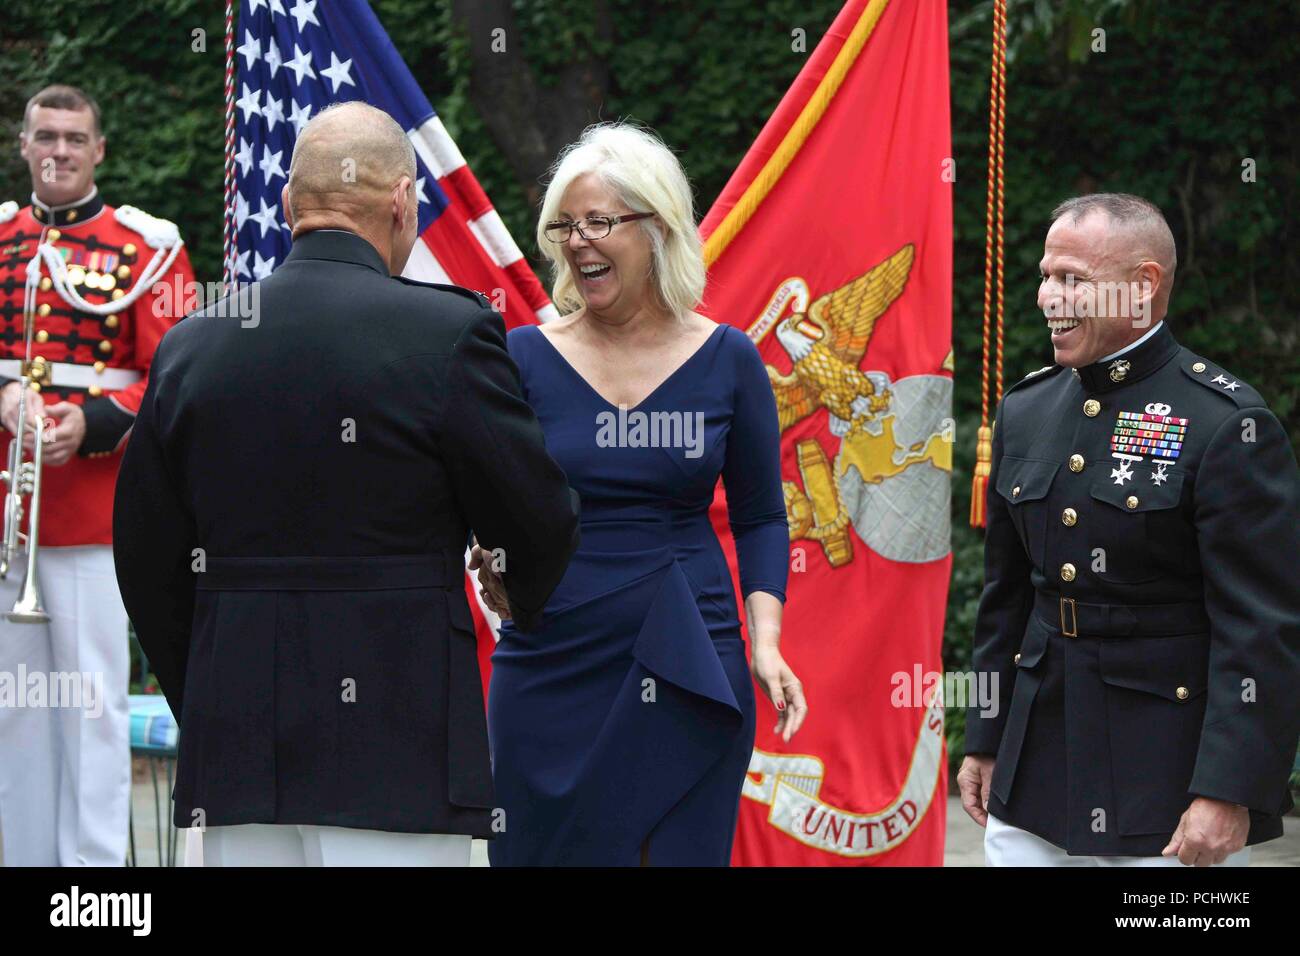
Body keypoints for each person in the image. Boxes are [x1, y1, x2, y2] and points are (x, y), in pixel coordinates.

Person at [112, 102, 580, 867]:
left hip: (240, 750)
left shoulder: (193, 345)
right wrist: (516, 591)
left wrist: (210, 696)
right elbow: (536, 514)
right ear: (400, 202)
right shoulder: (448, 334)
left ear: (290, 204)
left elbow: (144, 554)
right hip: (399, 743)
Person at [477, 123, 807, 866]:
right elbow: (488, 495)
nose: (578, 241)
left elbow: (759, 517)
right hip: (548, 664)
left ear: (658, 227)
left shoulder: (729, 359)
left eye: (599, 221)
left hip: (688, 660)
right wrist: (490, 551)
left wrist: (769, 639)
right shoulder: (521, 356)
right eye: (565, 224)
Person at [959, 193, 1300, 866]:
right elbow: (1005, 600)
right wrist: (986, 733)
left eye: (1072, 280)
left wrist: (1228, 789)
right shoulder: (1025, 410)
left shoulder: (1224, 424)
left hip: (1162, 787)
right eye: (1046, 276)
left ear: (1142, 287)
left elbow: (1260, 631)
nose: (1047, 297)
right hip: (1034, 770)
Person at [0, 84, 194, 866]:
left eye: (75, 138)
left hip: (93, 515)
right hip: (9, 515)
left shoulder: (149, 249)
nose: (59, 151)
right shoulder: (4, 239)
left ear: (99, 150)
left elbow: (179, 372)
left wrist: (102, 424)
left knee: (91, 708)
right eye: (45, 136)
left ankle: (90, 883)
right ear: (22, 145)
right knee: (14, 710)